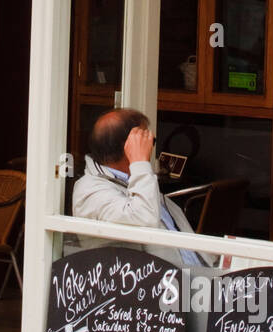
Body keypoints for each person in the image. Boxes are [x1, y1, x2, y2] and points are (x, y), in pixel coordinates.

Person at [71, 108, 209, 267]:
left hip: (191, 280)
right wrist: (139, 162)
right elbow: (144, 220)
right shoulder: (90, 191)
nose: (151, 149)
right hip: (154, 287)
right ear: (130, 146)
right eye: (149, 142)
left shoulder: (136, 181)